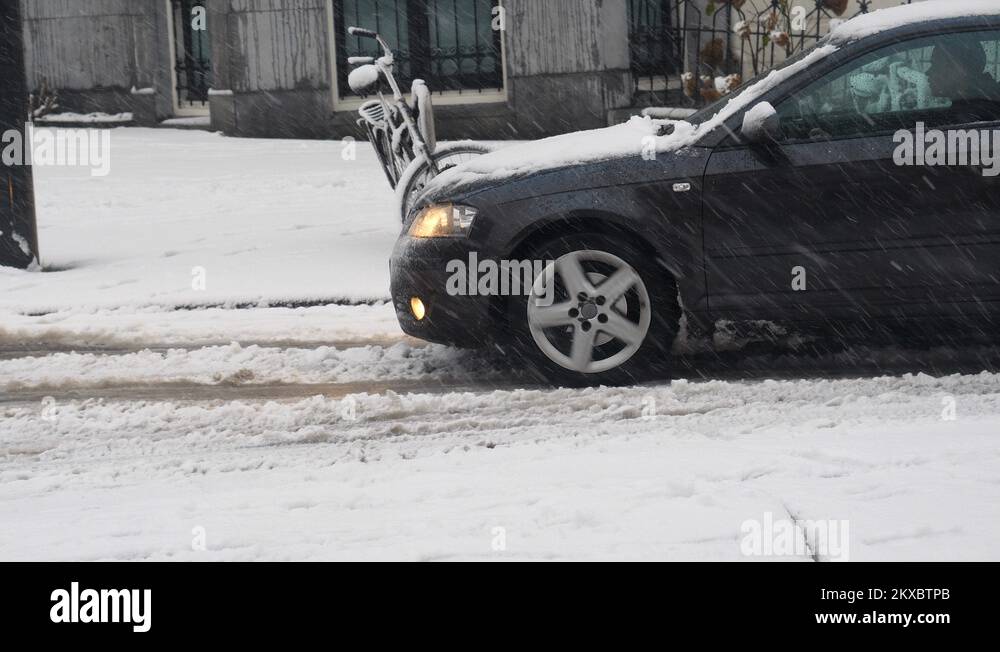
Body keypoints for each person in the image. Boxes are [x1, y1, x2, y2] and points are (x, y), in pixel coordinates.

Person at [926, 37, 1000, 122]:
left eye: (935, 65)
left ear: (959, 69)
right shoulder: (979, 101)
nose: (928, 72)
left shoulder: (971, 116)